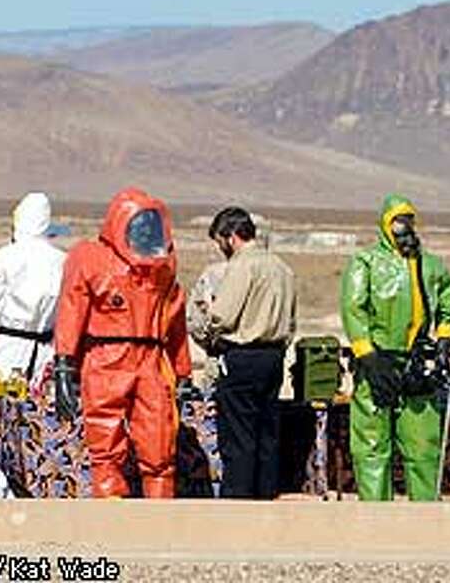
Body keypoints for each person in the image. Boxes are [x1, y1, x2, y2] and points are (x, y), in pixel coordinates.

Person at [53, 187, 191, 498]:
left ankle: (159, 518)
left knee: (159, 443)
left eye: (151, 227)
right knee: (105, 443)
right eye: (139, 226)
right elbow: (71, 310)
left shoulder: (163, 268)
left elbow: (175, 318)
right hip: (106, 356)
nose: (146, 234)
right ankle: (110, 519)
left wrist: (182, 373)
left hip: (151, 358)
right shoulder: (90, 258)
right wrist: (64, 364)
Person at [340, 193, 450, 501]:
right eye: (396, 221)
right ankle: (376, 521)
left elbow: (448, 301)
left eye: (408, 220)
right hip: (376, 364)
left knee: (422, 447)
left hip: (417, 365)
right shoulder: (365, 262)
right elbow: (354, 310)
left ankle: (424, 519)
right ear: (384, 225)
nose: (403, 227)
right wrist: (368, 356)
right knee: (372, 448)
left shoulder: (430, 265)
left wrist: (444, 340)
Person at [205, 207, 297, 500]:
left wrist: (209, 316)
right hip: (274, 357)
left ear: (231, 237)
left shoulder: (243, 266)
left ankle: (239, 502)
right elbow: (291, 320)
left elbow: (223, 315)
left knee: (238, 436)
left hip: (242, 356)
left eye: (220, 241)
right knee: (266, 433)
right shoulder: (282, 268)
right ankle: (265, 497)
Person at [0, 192, 66, 395]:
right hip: (47, 352)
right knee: (41, 415)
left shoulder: (2, 258)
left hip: (7, 350)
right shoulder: (63, 261)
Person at [185, 258, 228, 389]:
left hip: (222, 356)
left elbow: (195, 322)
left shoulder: (214, 273)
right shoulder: (278, 271)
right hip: (270, 360)